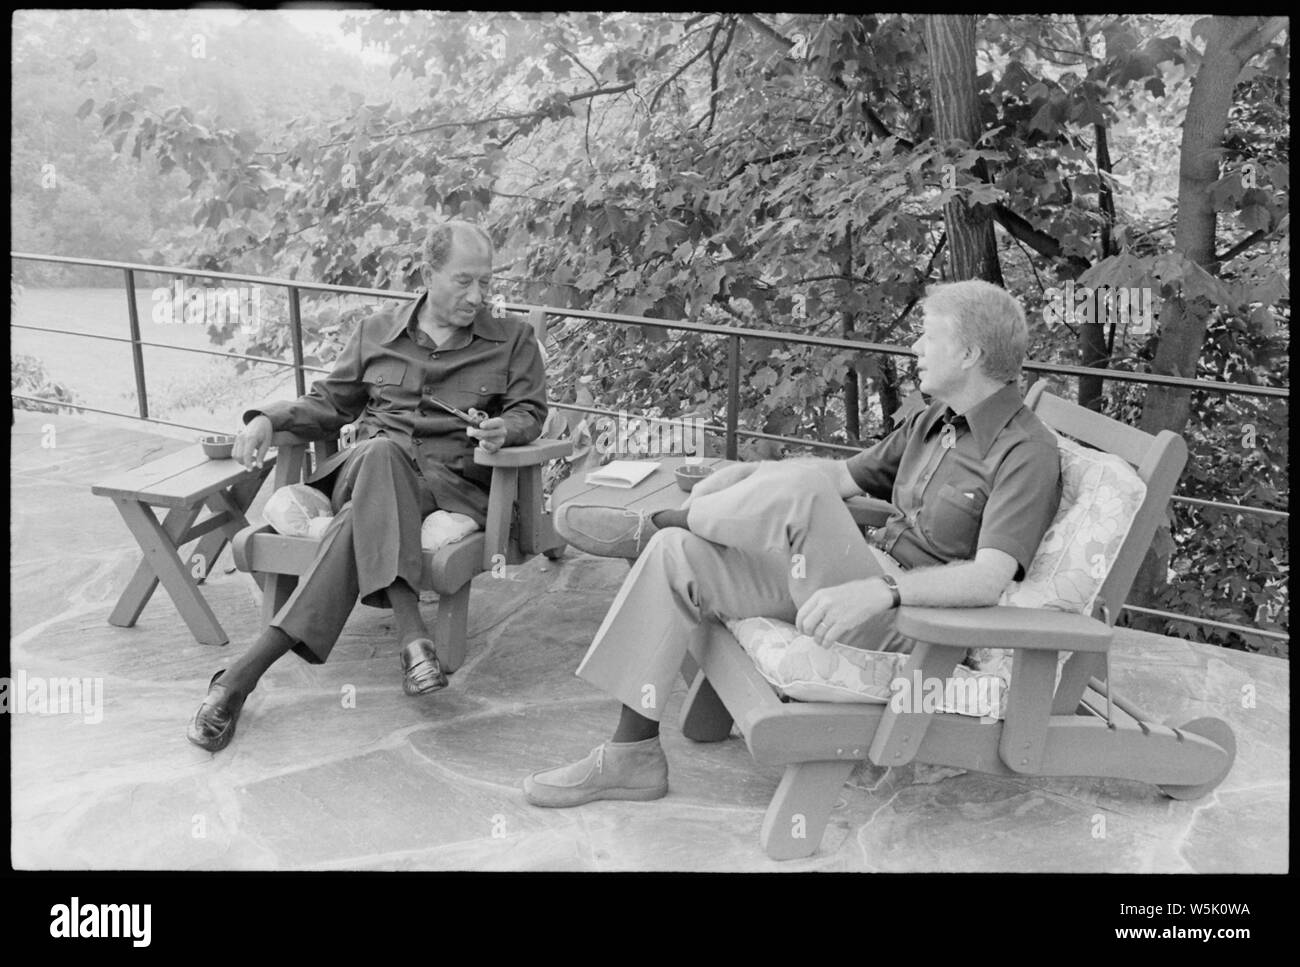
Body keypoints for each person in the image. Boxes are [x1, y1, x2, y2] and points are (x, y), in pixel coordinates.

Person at [524, 279, 1061, 806]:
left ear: (968, 353)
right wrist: (748, 475)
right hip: (846, 580)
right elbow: (839, 477)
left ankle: (662, 520)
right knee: (677, 556)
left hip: (912, 624)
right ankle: (631, 755)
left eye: (928, 337)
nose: (915, 348)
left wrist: (885, 592)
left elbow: (989, 578)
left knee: (796, 494)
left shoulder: (1026, 452)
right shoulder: (933, 422)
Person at [188, 220, 547, 752]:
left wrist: (506, 428)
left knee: (363, 516)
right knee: (380, 451)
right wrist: (266, 417)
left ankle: (239, 677)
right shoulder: (375, 332)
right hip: (364, 468)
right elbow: (330, 405)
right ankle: (411, 633)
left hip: (448, 487)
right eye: (464, 281)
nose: (478, 296)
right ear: (429, 274)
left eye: (487, 283)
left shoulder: (512, 340)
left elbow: (530, 412)